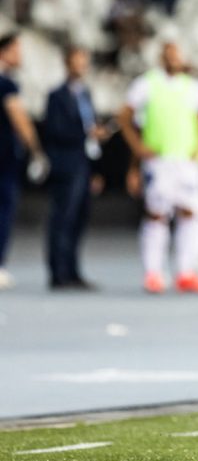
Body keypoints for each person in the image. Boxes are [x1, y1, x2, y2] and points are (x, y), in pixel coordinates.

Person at [118, 40, 198, 294]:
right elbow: (125, 118)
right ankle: (153, 273)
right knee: (157, 214)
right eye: (169, 55)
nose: (174, 59)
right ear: (161, 58)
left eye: (177, 55)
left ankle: (186, 272)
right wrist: (138, 149)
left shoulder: (191, 86)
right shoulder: (147, 84)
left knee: (191, 213)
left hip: (187, 162)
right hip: (160, 161)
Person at [44, 46, 105, 290]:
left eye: (84, 61)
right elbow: (54, 131)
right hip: (66, 164)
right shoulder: (56, 96)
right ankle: (58, 272)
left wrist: (96, 170)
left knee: (79, 219)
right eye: (77, 61)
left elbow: (90, 131)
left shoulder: (85, 94)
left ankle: (72, 270)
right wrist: (87, 133)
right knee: (63, 219)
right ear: (67, 63)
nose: (81, 66)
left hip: (84, 164)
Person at [0, 31, 48, 290]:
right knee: (4, 209)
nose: (20, 56)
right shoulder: (6, 84)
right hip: (4, 159)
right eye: (17, 50)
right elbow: (19, 118)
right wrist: (36, 150)